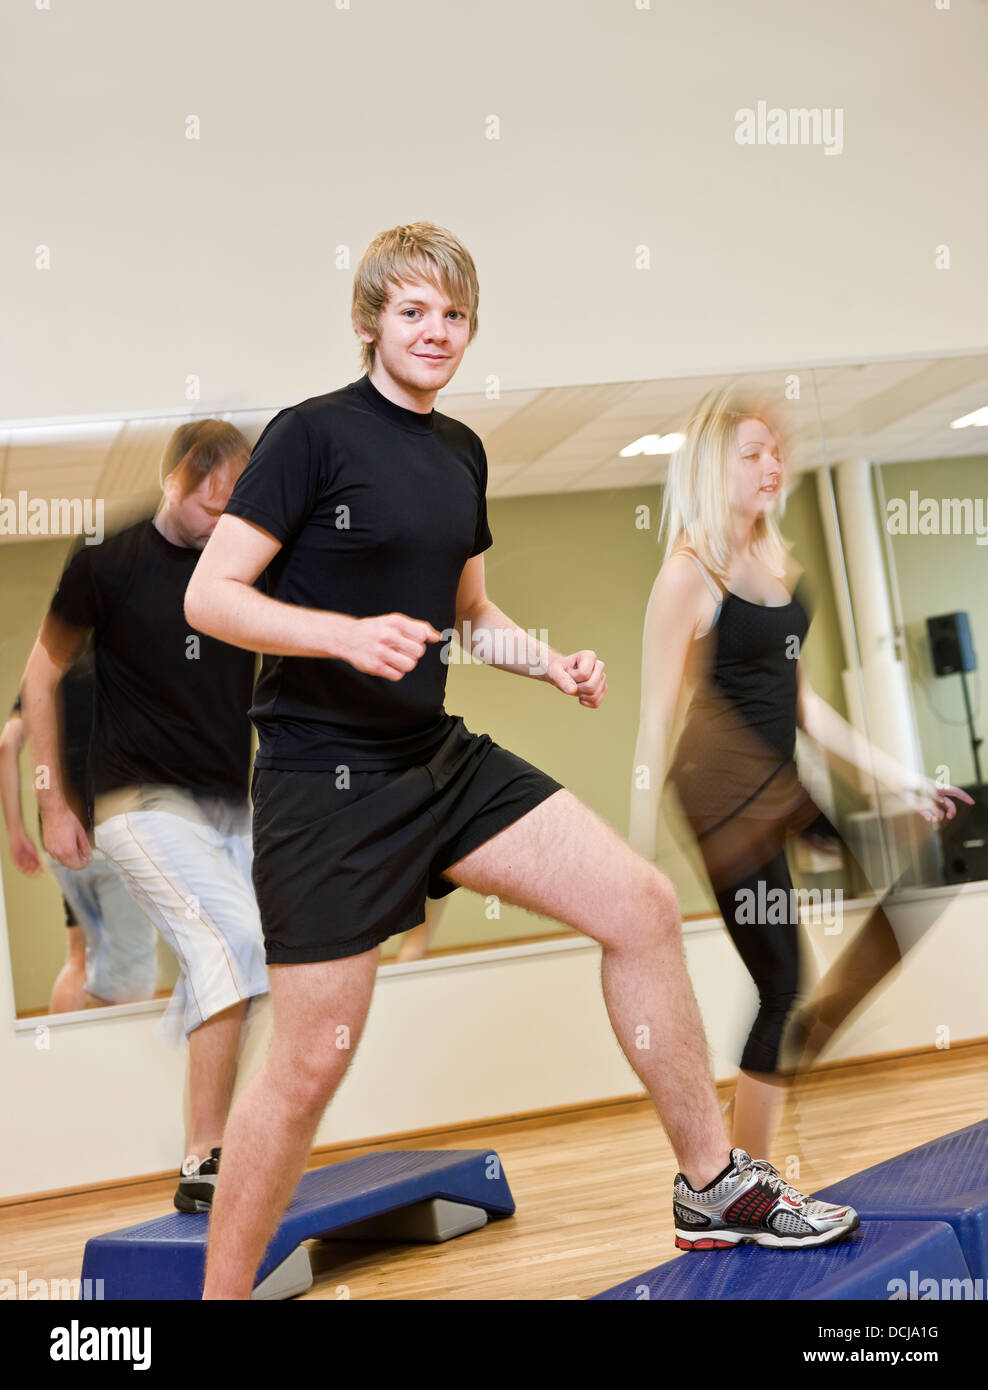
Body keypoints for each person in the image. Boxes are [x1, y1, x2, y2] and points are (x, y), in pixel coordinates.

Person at [185, 222, 860, 1298]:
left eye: (452, 314)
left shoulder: (460, 453)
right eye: (411, 311)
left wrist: (547, 663)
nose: (435, 331)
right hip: (324, 779)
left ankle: (710, 1183)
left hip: (432, 756)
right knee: (310, 1062)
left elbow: (469, 613)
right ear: (369, 324)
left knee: (638, 905)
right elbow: (209, 596)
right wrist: (343, 636)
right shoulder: (308, 437)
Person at [629, 388, 972, 1159]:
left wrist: (906, 781)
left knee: (909, 878)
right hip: (722, 794)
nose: (771, 464)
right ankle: (734, 1180)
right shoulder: (690, 572)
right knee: (782, 981)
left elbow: (807, 706)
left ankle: (794, 1048)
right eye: (750, 454)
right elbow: (653, 723)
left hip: (782, 783)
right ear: (715, 470)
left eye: (775, 451)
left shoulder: (777, 558)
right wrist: (634, 860)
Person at [19, 421, 268, 1211]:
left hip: (232, 807)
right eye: (210, 499)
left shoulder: (246, 564)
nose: (220, 518)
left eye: (236, 503)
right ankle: (205, 1157)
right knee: (232, 943)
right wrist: (54, 799)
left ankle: (204, 1083)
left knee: (257, 966)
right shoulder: (108, 561)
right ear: (176, 481)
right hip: (140, 804)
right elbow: (39, 676)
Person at [0, 648, 158, 1012]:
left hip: (62, 842)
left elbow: (8, 744)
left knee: (80, 959)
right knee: (133, 971)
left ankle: (65, 1060)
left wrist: (15, 832)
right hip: (115, 834)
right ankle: (112, 1061)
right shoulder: (122, 659)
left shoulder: (44, 667)